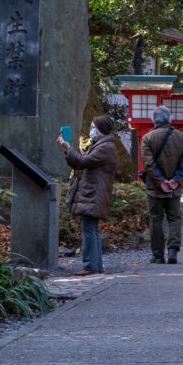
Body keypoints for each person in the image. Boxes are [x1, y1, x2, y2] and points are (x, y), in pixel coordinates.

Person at [59, 115, 122, 275]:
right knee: (91, 229)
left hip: (94, 193)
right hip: (93, 193)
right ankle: (95, 265)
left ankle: (90, 266)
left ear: (100, 129)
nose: (91, 130)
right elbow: (80, 161)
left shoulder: (105, 147)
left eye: (94, 127)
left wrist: (69, 147)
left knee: (88, 229)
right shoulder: (100, 145)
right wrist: (68, 151)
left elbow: (82, 161)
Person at [139, 105, 183, 264]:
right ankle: (173, 249)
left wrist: (161, 181)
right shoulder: (181, 137)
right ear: (170, 119)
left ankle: (158, 255)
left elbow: (148, 163)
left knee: (156, 219)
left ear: (154, 120)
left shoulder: (148, 138)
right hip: (174, 188)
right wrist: (175, 180)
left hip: (155, 187)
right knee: (174, 217)